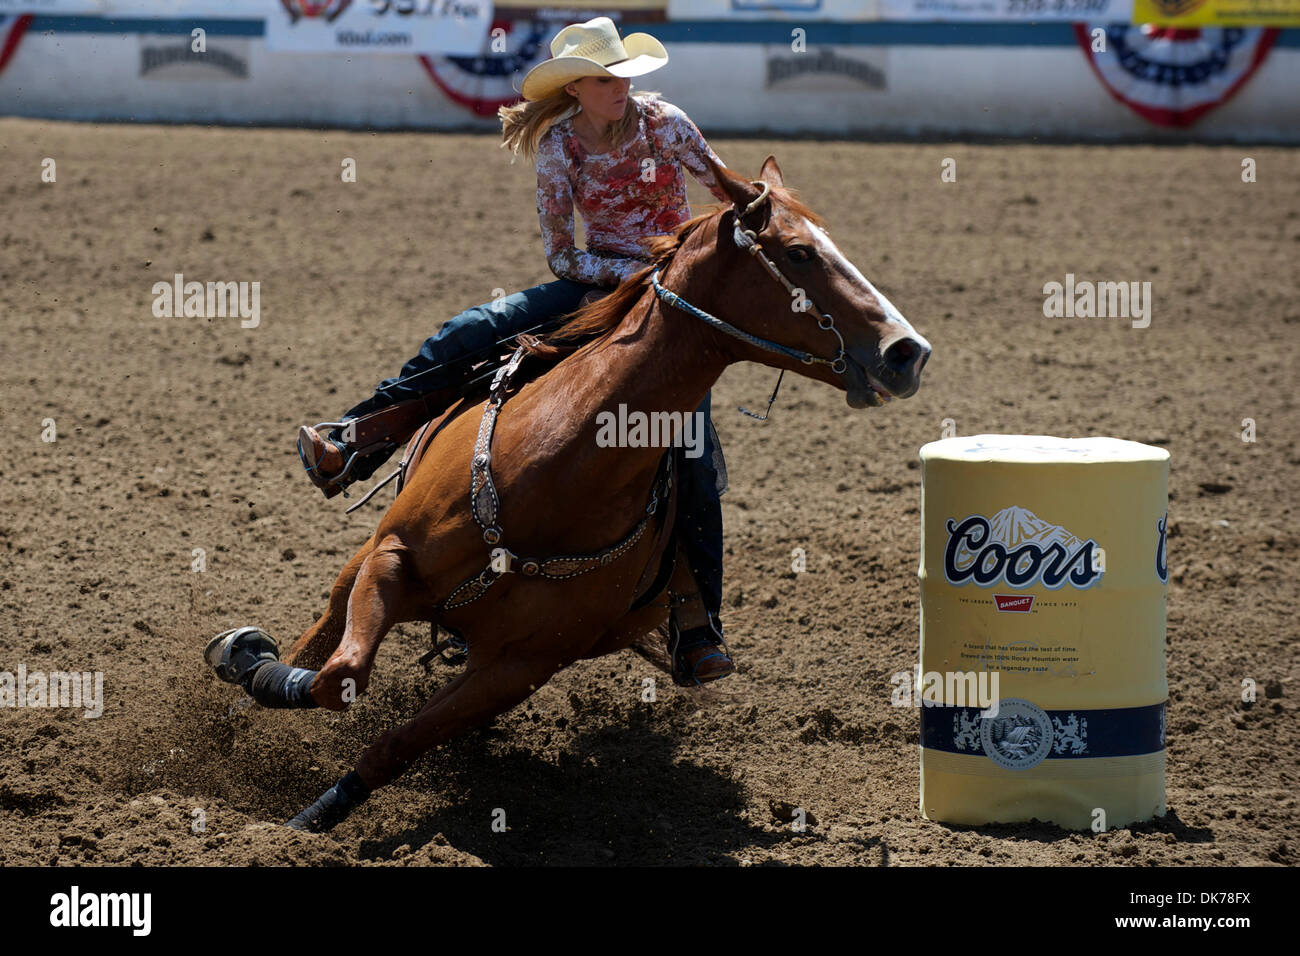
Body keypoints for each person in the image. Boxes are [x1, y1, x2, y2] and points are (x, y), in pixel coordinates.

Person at [296, 17, 734, 685]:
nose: (618, 86)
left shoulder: (667, 123)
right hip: (598, 287)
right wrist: (633, 276)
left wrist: (757, 214)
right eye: (602, 78)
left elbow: (724, 190)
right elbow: (563, 253)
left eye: (621, 76)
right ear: (576, 90)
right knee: (469, 333)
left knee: (692, 454)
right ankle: (357, 441)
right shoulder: (561, 145)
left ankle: (697, 623)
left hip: (668, 310)